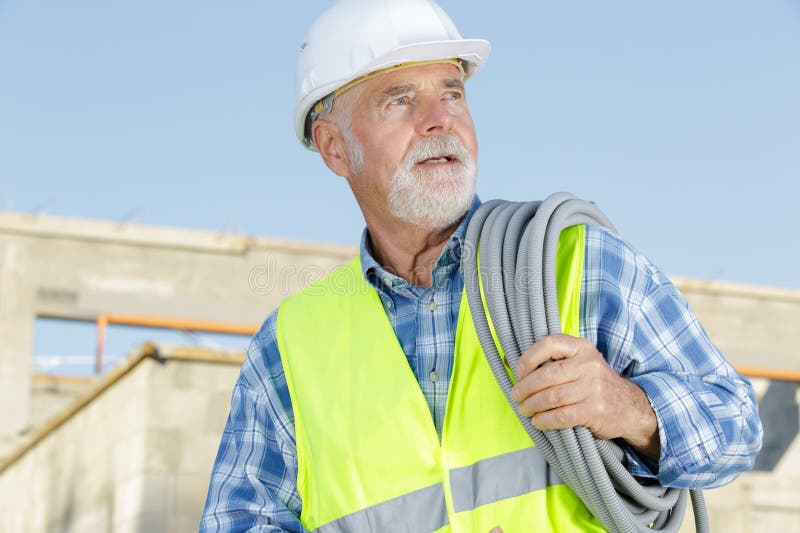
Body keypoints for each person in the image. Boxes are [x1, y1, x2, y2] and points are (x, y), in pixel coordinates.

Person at [201, 1, 762, 531]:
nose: (439, 120)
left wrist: (629, 408)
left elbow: (737, 426)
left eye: (452, 93)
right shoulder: (290, 347)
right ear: (335, 148)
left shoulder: (578, 265)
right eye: (400, 100)